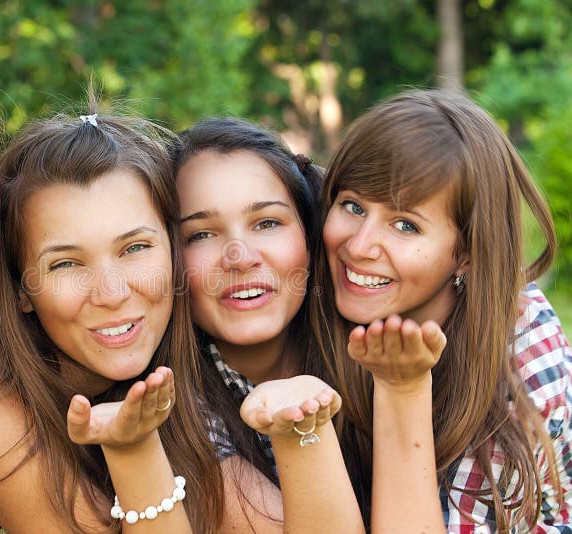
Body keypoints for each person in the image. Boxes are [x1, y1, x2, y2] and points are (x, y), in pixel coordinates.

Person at [0, 108, 224, 533]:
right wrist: (132, 447)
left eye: (134, 248)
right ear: (21, 288)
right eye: (65, 264)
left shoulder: (191, 373)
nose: (112, 293)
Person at [308, 89, 572, 532]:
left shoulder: (519, 360)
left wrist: (402, 387)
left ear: (466, 254)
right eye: (353, 206)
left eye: (405, 224)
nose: (357, 246)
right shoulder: (314, 296)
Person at [172, 117, 363, 532]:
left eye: (267, 223)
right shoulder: (173, 407)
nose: (239, 256)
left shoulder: (380, 349)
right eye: (200, 234)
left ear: (311, 233)